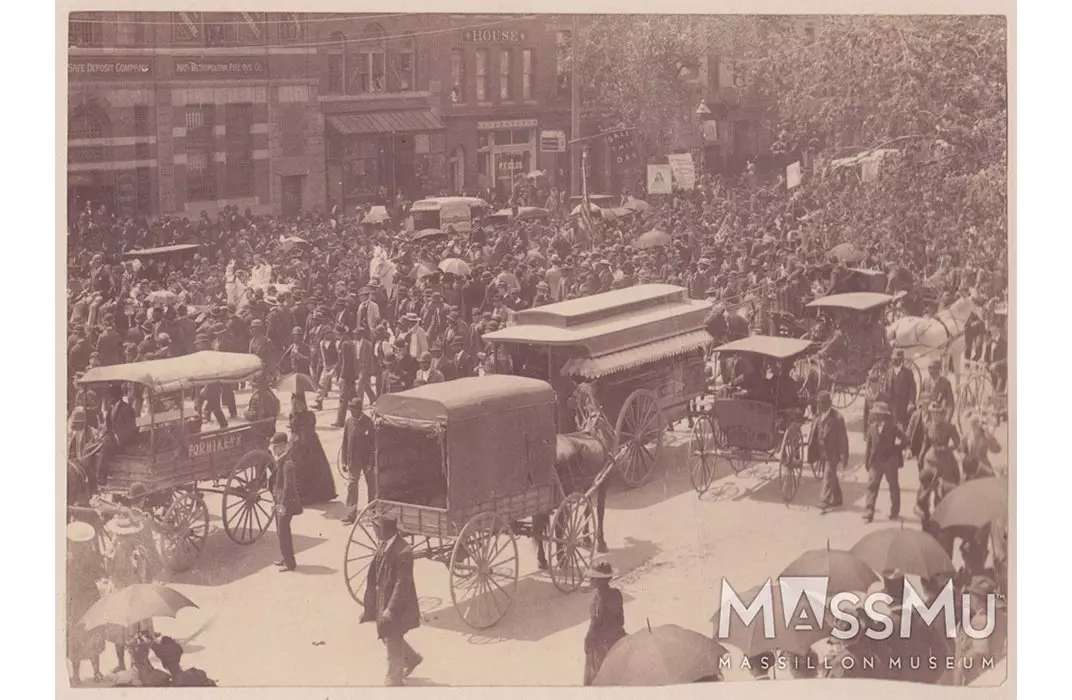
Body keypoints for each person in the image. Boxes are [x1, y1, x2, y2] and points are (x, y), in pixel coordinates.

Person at [361, 516, 423, 686]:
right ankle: (411, 658)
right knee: (385, 635)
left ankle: (393, 679)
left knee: (392, 635)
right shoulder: (384, 544)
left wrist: (391, 609)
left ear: (385, 530)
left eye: (375, 527)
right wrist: (371, 604)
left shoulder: (404, 552)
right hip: (383, 599)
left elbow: (402, 584)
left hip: (398, 603)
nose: (373, 531)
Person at [66, 521, 106, 685]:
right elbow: (101, 574)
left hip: (75, 601)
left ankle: (76, 676)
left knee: (76, 637)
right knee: (93, 633)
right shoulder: (92, 556)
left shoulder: (68, 559)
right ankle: (96, 672)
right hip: (91, 599)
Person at [288, 392, 338, 505]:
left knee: (307, 470)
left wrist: (295, 417)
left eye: (296, 404)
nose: (295, 406)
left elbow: (299, 428)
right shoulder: (302, 415)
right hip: (305, 445)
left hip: (306, 445)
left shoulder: (304, 415)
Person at [582, 561, 627, 685]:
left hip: (602, 645)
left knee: (597, 678)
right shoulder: (617, 594)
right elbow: (621, 620)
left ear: (600, 581)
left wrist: (587, 642)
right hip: (618, 639)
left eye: (593, 578)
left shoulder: (596, 599)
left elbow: (594, 627)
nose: (590, 579)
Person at [863, 402, 907, 522]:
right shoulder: (871, 428)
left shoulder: (892, 427)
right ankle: (869, 510)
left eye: (879, 414)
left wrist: (896, 449)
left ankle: (895, 510)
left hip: (889, 462)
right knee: (872, 486)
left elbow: (906, 439)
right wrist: (867, 462)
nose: (876, 416)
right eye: (875, 414)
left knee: (893, 486)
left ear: (884, 415)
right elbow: (868, 446)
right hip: (876, 462)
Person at [807, 390, 848, 514]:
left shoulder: (837, 418)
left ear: (829, 404)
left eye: (822, 403)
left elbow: (843, 439)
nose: (819, 406)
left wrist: (843, 455)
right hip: (822, 451)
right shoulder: (818, 417)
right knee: (831, 475)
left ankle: (824, 501)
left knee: (828, 474)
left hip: (833, 452)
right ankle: (838, 498)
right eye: (818, 403)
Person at [269, 432, 302, 571]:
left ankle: (290, 563)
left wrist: (281, 504)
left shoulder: (287, 463)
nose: (274, 451)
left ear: (282, 447)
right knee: (280, 531)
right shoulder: (281, 460)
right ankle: (285, 557)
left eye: (275, 448)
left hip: (286, 504)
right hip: (279, 502)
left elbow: (288, 487)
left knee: (284, 532)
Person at [341, 397, 376, 526]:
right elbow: (345, 443)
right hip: (353, 461)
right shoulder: (348, 422)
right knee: (352, 486)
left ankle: (373, 512)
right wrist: (344, 461)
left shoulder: (368, 423)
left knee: (372, 486)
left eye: (353, 409)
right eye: (349, 408)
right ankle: (350, 514)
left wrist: (371, 463)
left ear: (359, 410)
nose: (350, 411)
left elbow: (374, 446)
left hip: (367, 462)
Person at [883, 349, 917, 428]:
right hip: (892, 405)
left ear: (901, 360)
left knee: (904, 427)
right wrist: (884, 402)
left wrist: (911, 403)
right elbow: (885, 388)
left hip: (904, 405)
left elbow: (912, 390)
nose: (894, 361)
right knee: (892, 427)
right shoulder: (889, 372)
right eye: (893, 359)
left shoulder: (908, 373)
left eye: (896, 359)